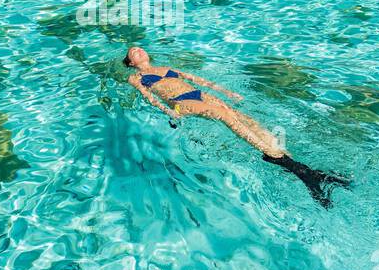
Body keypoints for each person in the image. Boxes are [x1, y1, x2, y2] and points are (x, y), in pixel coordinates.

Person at [123, 47, 351, 207]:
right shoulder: (137, 77)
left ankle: (303, 171)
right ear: (131, 63)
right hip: (181, 103)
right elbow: (148, 97)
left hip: (198, 94)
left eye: (140, 48)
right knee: (224, 115)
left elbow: (198, 80)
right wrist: (168, 111)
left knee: (246, 119)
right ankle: (294, 167)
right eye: (133, 52)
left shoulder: (166, 67)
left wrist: (226, 92)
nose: (138, 51)